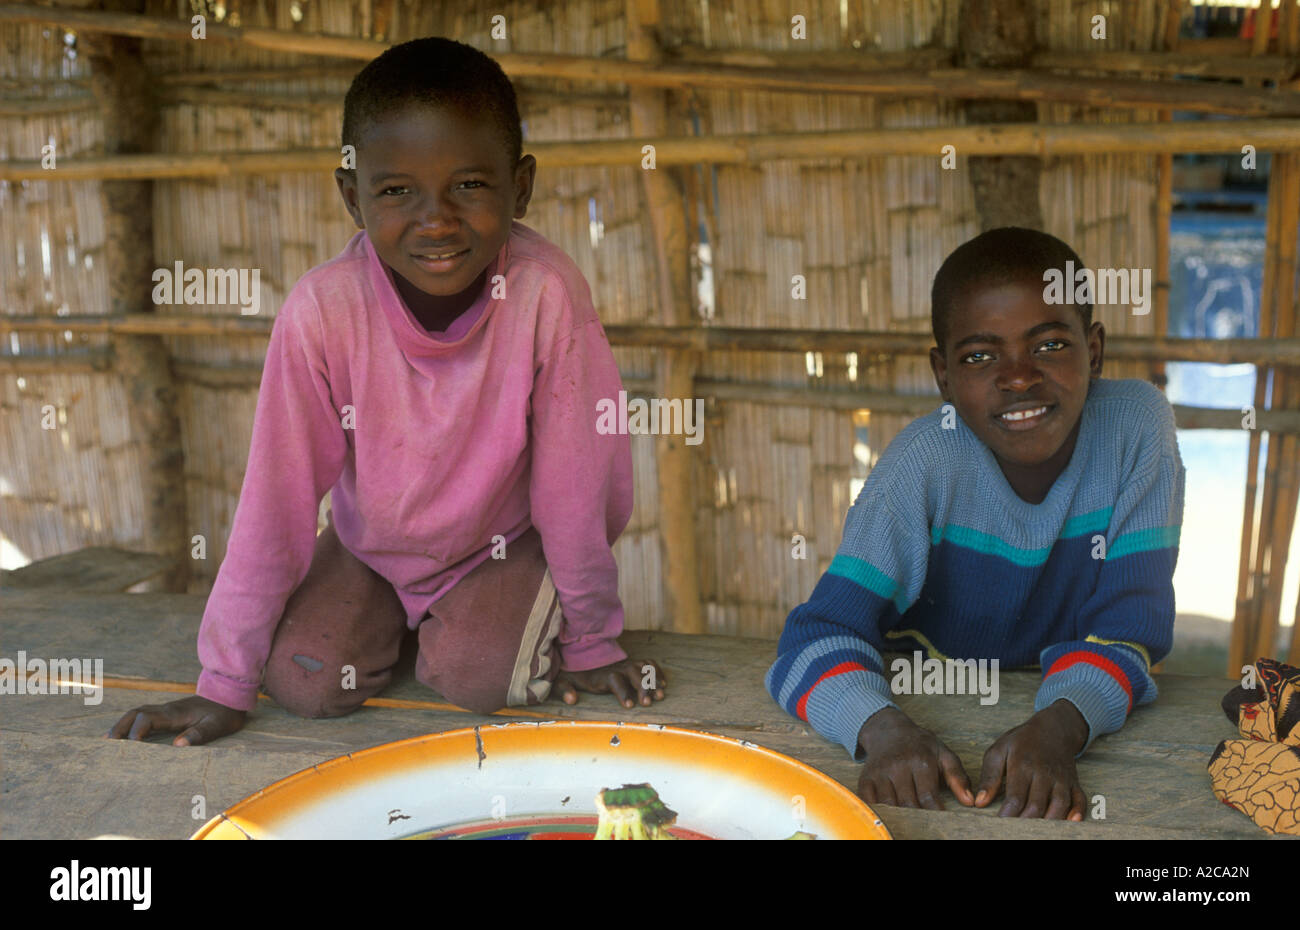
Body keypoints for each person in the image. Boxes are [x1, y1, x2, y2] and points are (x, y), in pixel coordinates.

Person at [109, 37, 664, 747]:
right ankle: (401, 617)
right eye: (397, 190)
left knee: (480, 677)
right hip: (370, 549)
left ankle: (458, 625)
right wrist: (224, 679)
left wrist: (590, 638)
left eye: (470, 184)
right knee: (307, 682)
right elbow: (275, 498)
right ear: (352, 196)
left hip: (502, 545)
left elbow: (576, 484)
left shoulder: (543, 296)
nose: (436, 219)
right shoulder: (322, 312)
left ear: (520, 186)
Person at [766, 227, 1185, 820]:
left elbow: (1128, 632)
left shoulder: (1135, 429)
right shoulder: (925, 461)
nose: (1018, 377)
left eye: (1048, 345)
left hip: (1062, 724)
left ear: (1093, 350)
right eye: (980, 357)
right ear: (943, 374)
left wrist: (1062, 726)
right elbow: (808, 644)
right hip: (927, 715)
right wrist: (881, 731)